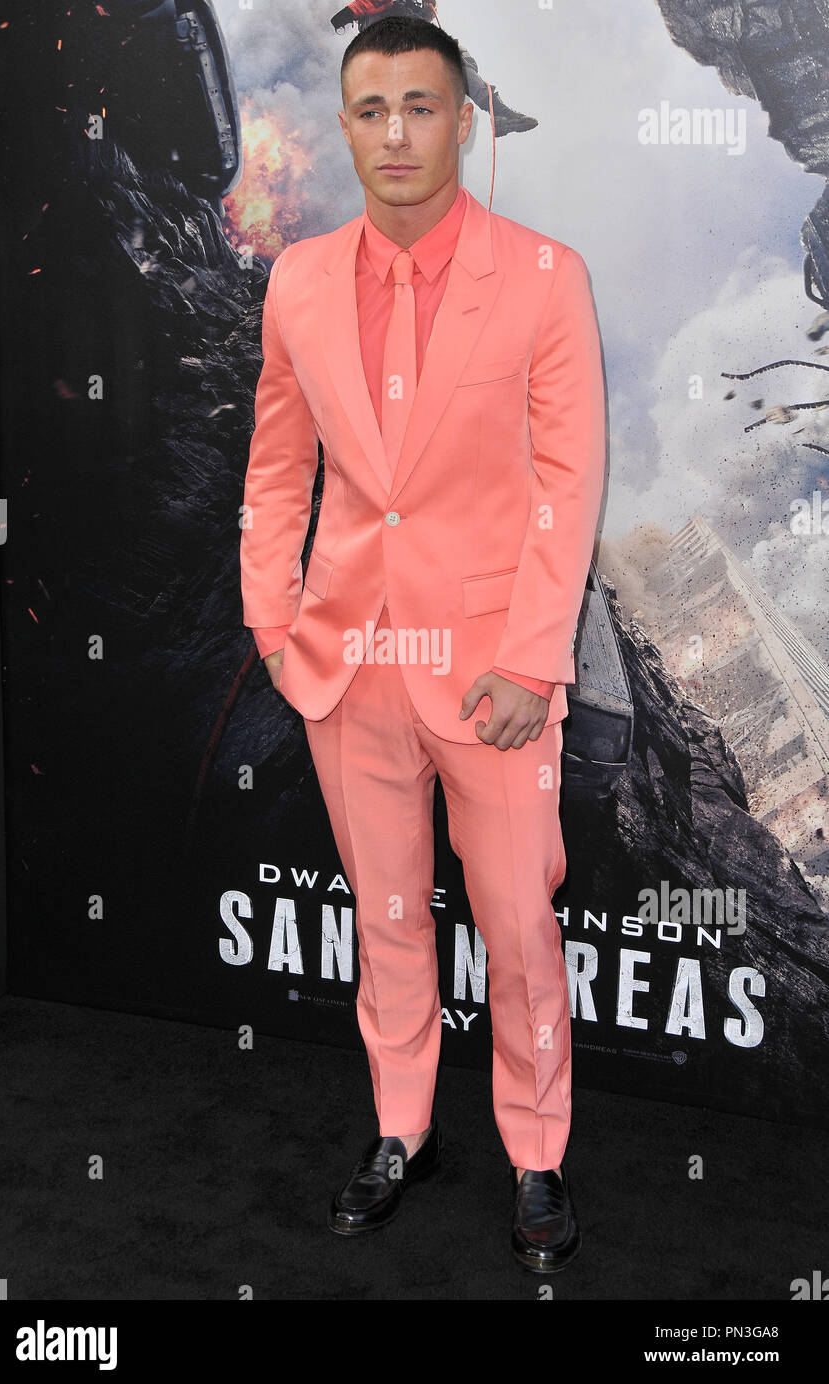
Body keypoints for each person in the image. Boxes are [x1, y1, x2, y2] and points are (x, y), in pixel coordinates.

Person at [239, 14, 606, 1272]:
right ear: (344, 124)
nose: (394, 132)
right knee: (388, 916)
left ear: (464, 118)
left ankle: (536, 1152)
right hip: (346, 671)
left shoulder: (547, 277)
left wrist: (533, 658)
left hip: (494, 677)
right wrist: (273, 630)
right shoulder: (294, 281)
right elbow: (278, 468)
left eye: (418, 106)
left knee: (515, 926)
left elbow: (569, 480)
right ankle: (402, 1128)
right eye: (370, 108)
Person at [330, 0, 539, 134]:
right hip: (398, 39)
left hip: (399, 48)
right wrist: (347, 13)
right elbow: (369, 3)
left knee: (457, 66)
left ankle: (499, 114)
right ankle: (498, 112)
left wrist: (427, 6)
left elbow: (424, 13)